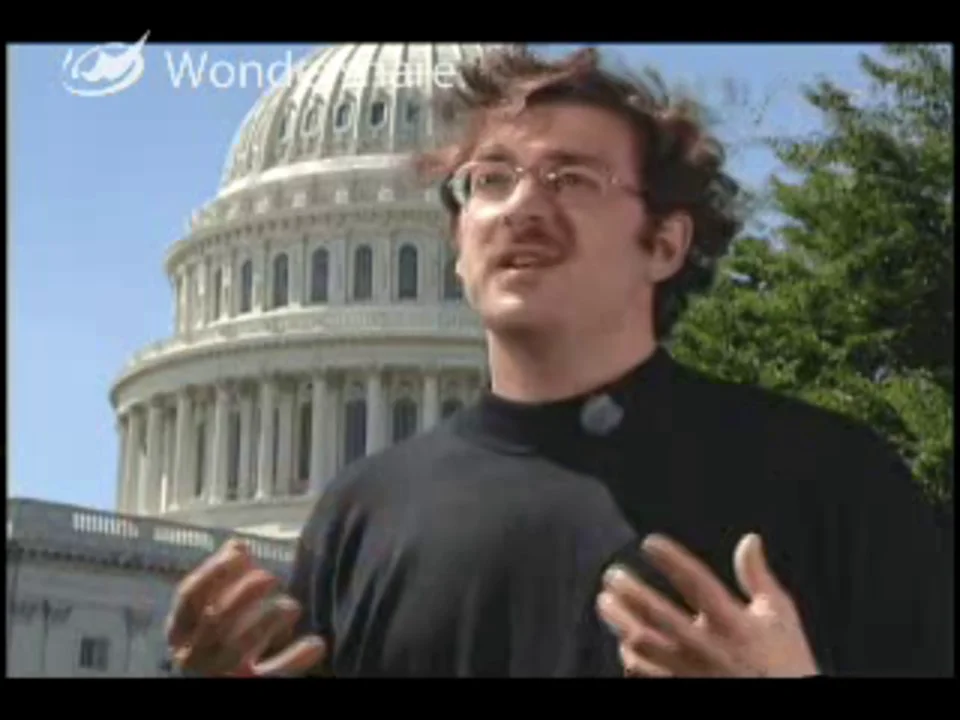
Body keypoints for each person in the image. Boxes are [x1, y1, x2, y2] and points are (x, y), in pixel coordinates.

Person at [164, 46, 953, 678]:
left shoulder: (831, 480)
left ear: (667, 242)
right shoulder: (359, 519)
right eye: (492, 179)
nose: (524, 205)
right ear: (456, 245)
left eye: (572, 177)